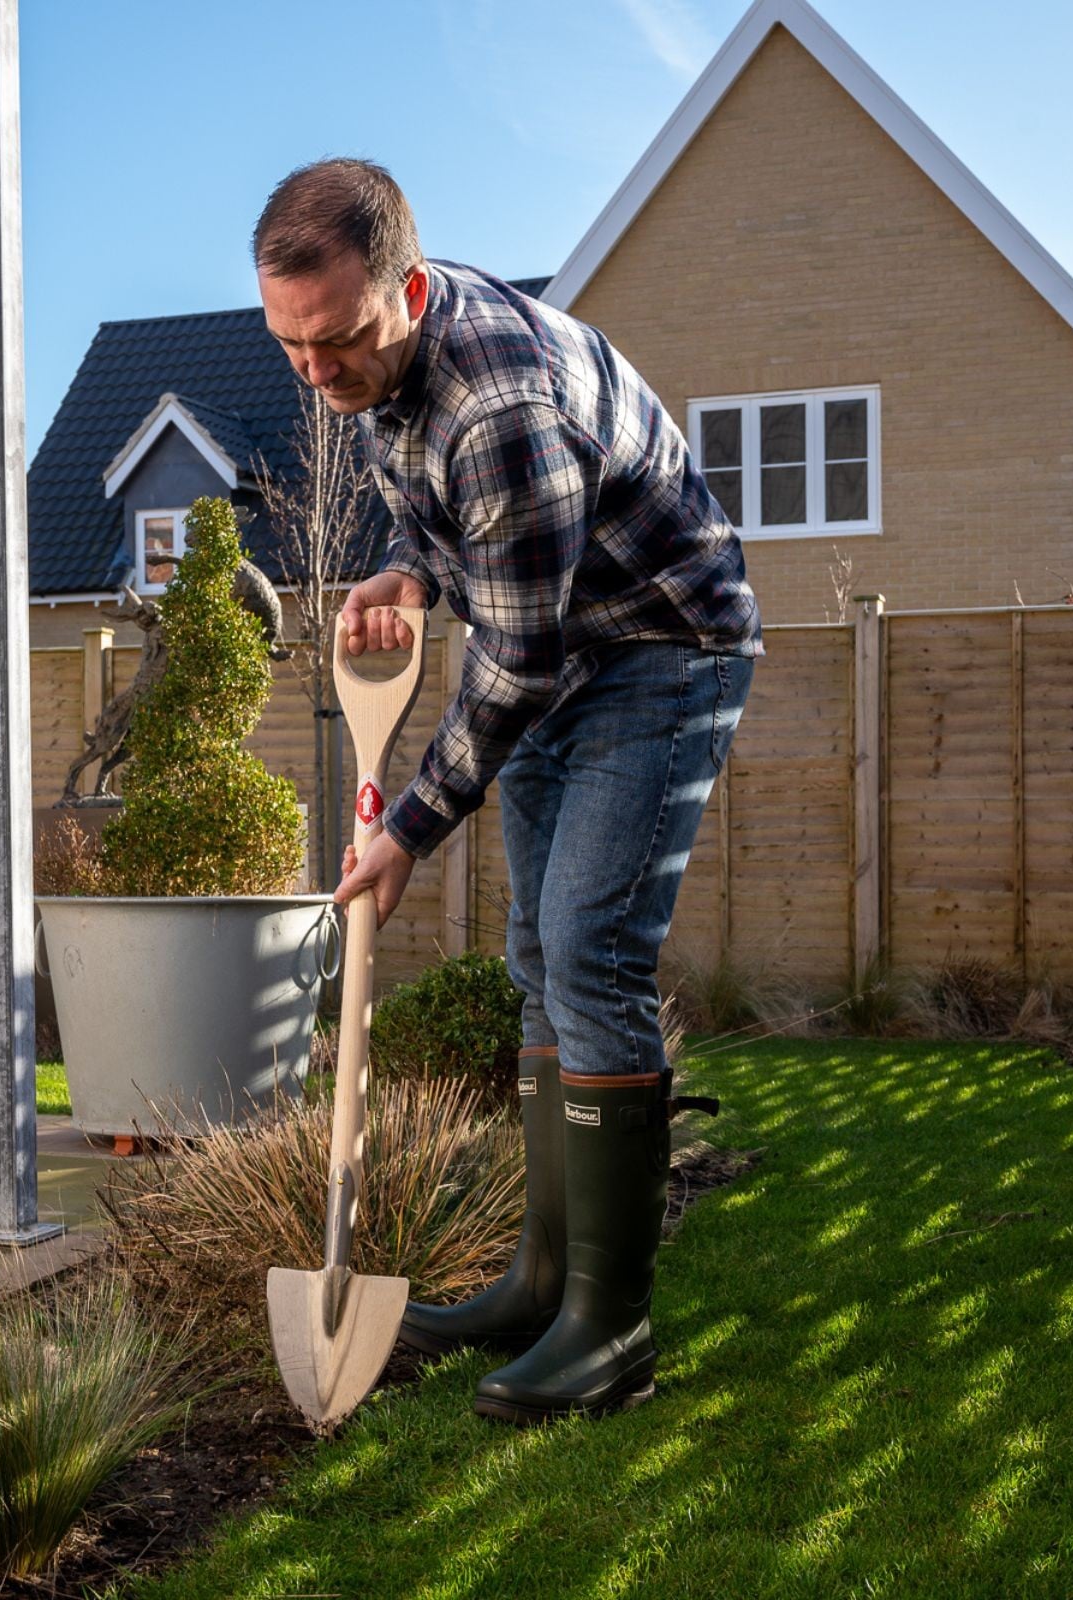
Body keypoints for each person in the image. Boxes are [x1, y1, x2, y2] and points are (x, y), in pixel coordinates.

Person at [253, 158, 762, 1426]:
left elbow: (519, 659)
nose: (315, 374)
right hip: (559, 642)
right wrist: (408, 573)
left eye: (337, 342)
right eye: (289, 346)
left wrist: (410, 829)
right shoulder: (384, 371)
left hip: (656, 650)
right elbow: (452, 525)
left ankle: (609, 1325)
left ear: (408, 290)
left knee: (589, 949)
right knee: (539, 953)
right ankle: (540, 1282)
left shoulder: (498, 404)